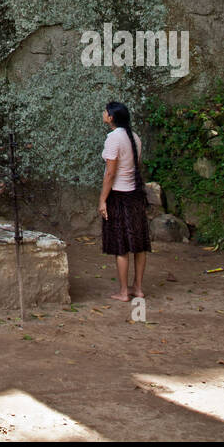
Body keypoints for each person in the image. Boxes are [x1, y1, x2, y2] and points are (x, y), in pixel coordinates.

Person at [98, 100, 151, 301]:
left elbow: (110, 174)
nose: (103, 113)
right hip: (135, 195)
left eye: (105, 111)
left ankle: (123, 291)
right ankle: (137, 288)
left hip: (119, 196)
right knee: (139, 244)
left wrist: (103, 200)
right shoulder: (135, 137)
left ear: (111, 117)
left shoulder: (113, 138)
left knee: (121, 246)